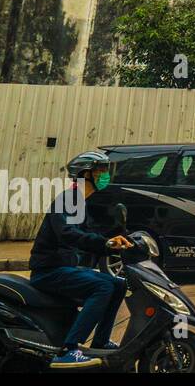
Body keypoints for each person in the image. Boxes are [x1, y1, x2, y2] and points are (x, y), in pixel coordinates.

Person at [28, 150, 134, 367]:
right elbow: (67, 234)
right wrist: (103, 243)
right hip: (49, 271)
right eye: (100, 170)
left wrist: (116, 239)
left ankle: (101, 341)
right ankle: (69, 349)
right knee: (102, 287)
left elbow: (90, 235)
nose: (105, 175)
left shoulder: (79, 202)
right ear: (85, 174)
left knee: (118, 284)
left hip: (65, 268)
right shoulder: (68, 199)